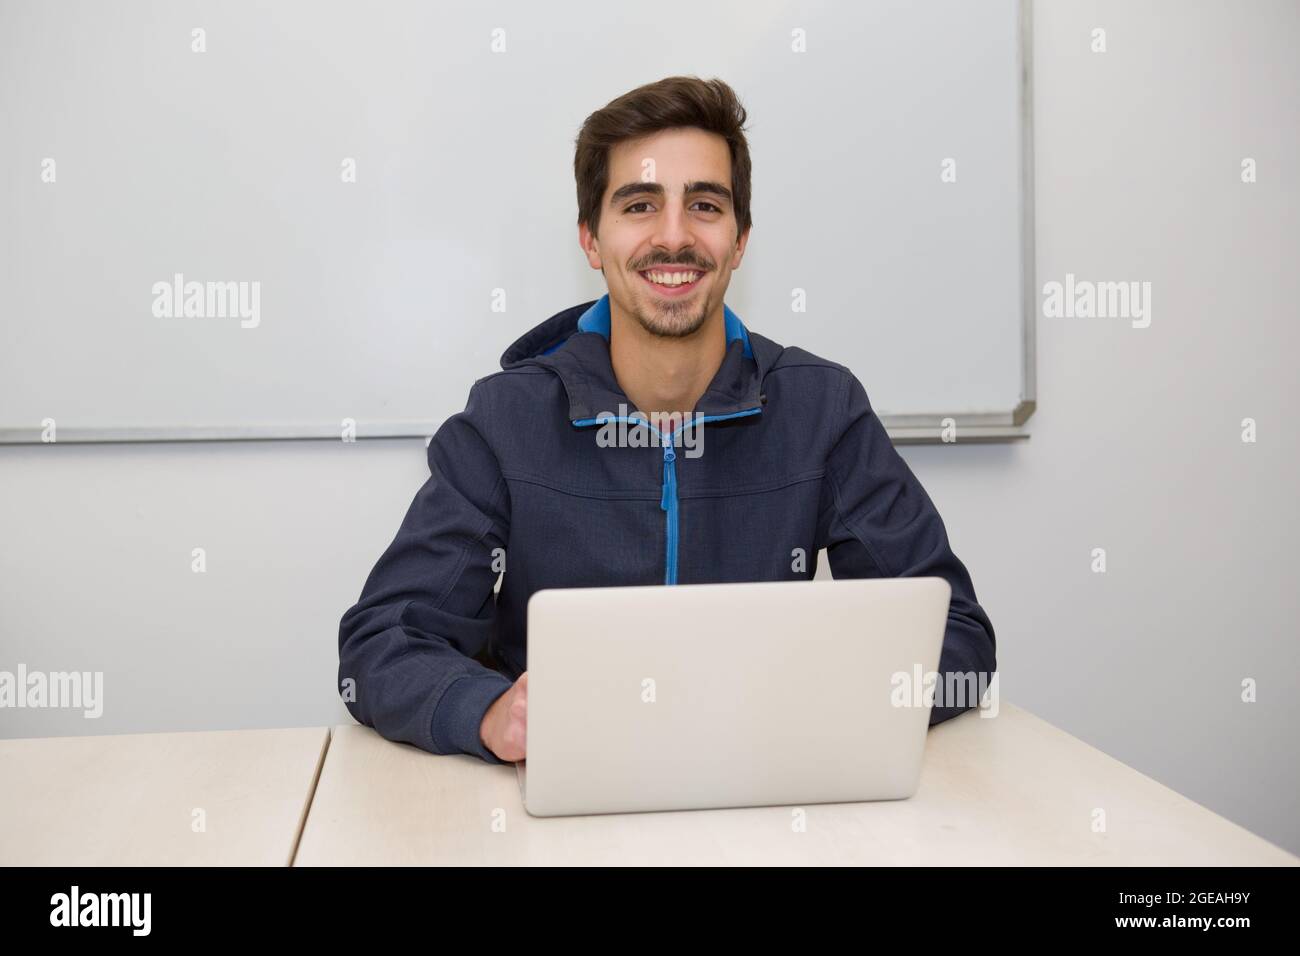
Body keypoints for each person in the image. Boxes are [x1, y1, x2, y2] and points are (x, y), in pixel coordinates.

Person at [339, 76, 996, 764]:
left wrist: (811, 703)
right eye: (640, 205)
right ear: (592, 240)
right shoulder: (504, 423)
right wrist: (489, 712)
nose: (674, 237)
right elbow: (382, 641)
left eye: (705, 205)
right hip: (558, 805)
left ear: (740, 240)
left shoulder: (821, 410)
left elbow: (957, 635)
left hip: (763, 795)